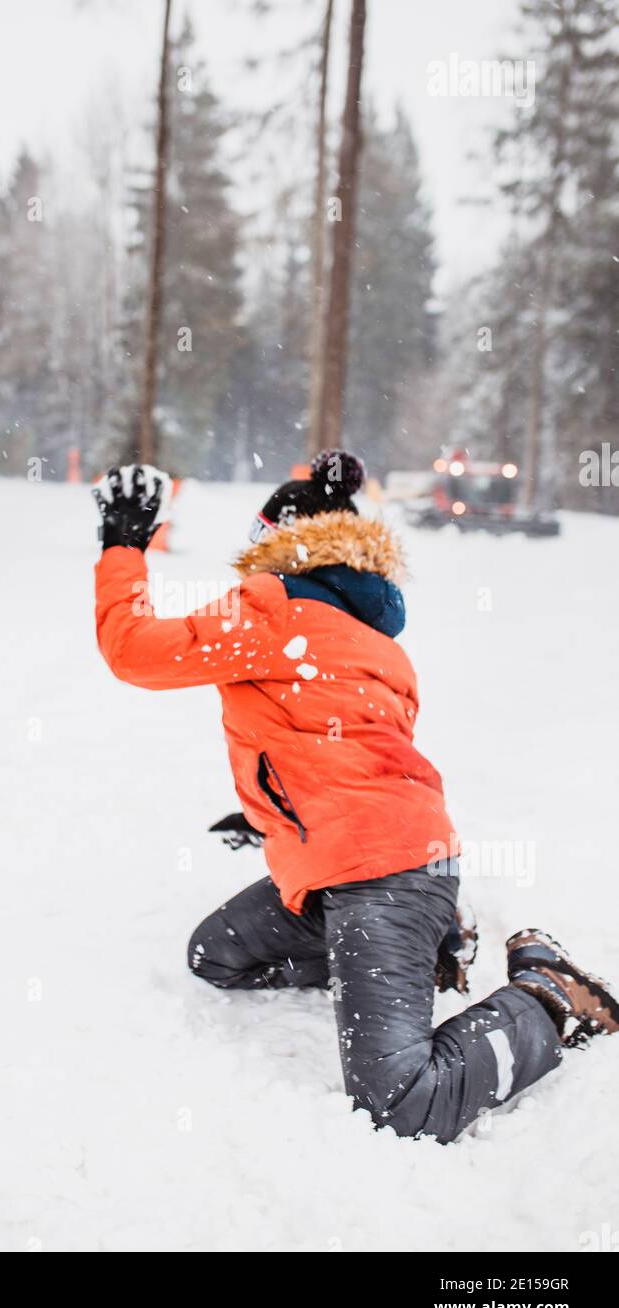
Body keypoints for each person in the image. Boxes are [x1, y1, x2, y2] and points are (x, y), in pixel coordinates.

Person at [92, 454, 618, 1143]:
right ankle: (432, 944)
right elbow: (340, 761)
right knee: (215, 956)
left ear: (282, 545)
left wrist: (123, 545)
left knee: (402, 1103)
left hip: (384, 878)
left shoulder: (273, 610)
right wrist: (271, 819)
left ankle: (549, 998)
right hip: (362, 868)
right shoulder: (377, 640)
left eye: (259, 540)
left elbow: (132, 650)